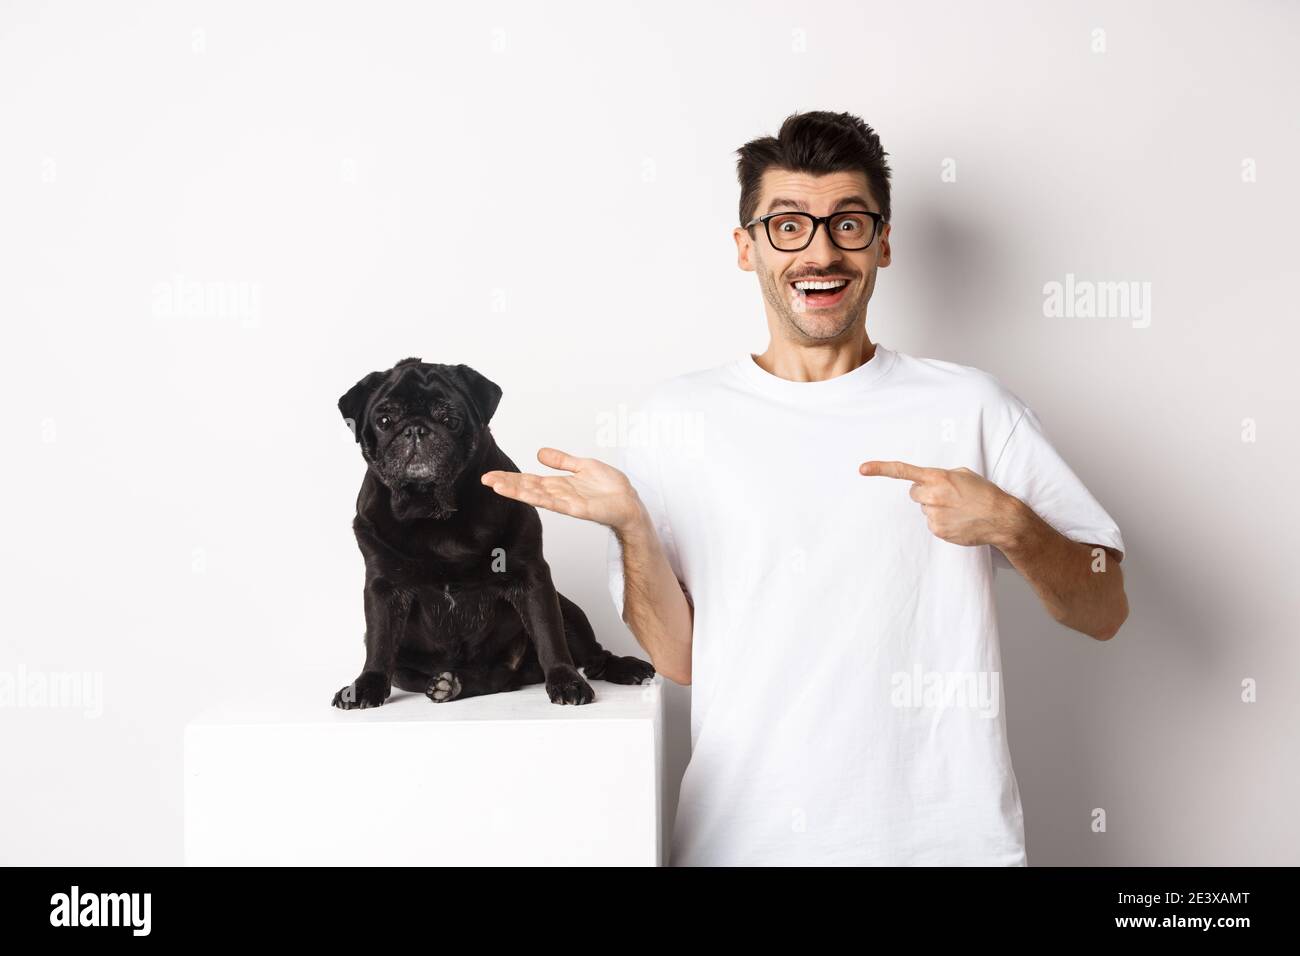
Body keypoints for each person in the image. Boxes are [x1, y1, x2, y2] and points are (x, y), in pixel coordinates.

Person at [480, 110, 1128, 866]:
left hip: (950, 848)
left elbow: (1106, 608)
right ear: (745, 247)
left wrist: (1016, 525)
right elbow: (683, 661)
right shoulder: (674, 421)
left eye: (848, 224)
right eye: (788, 225)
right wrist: (632, 527)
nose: (820, 251)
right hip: (742, 846)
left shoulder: (971, 407)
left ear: (883, 242)